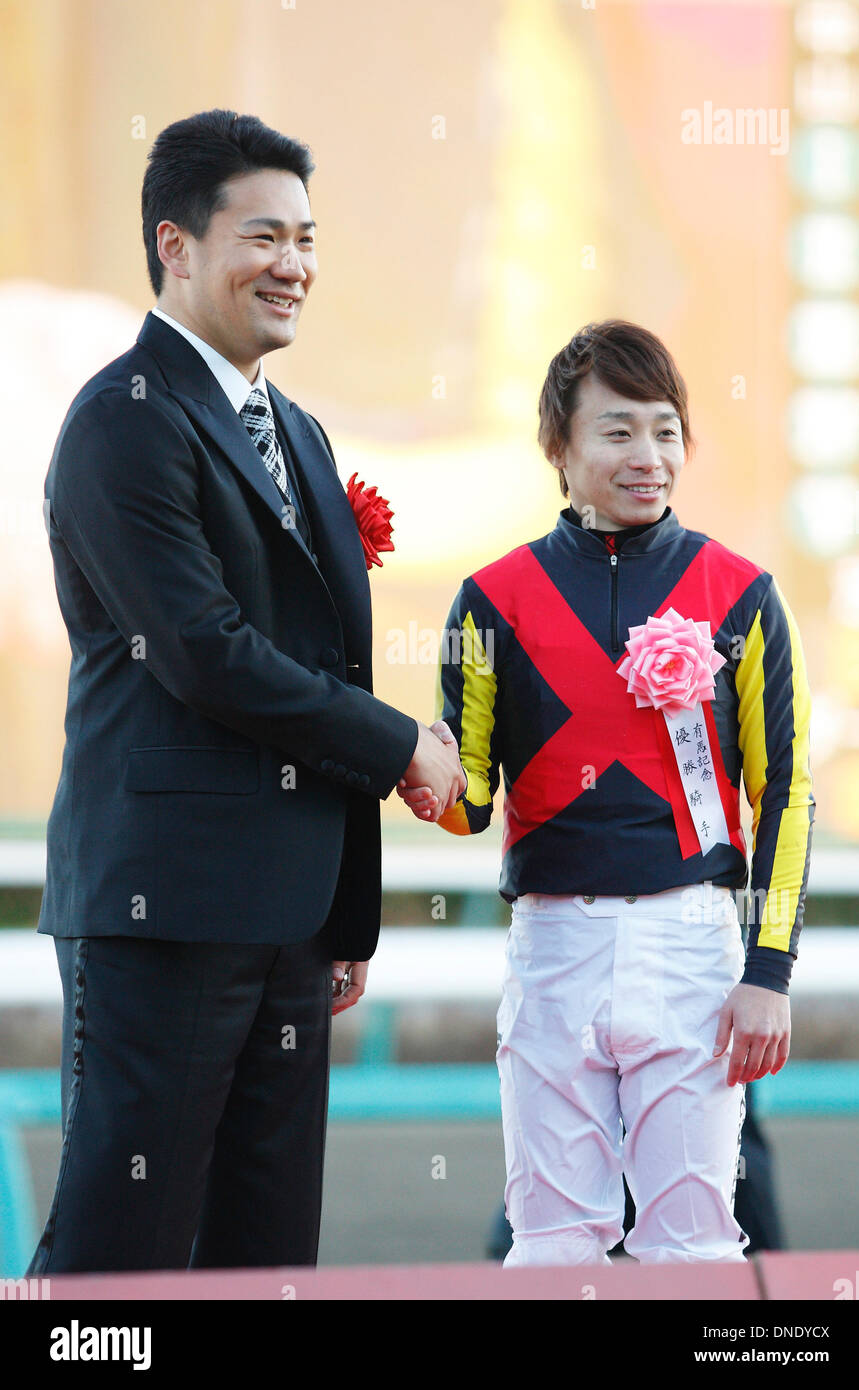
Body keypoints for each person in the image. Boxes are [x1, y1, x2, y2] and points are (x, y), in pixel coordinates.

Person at [28, 108, 463, 1275]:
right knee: (125, 1245)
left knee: (265, 1253)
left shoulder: (302, 434)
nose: (295, 265)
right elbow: (205, 651)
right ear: (174, 245)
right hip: (164, 910)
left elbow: (317, 657)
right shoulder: (123, 422)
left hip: (288, 916)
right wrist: (398, 745)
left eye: (308, 239)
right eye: (263, 235)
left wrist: (340, 906)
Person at [398, 320, 814, 1264]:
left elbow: (784, 791)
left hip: (693, 951)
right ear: (559, 446)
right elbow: (466, 805)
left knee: (695, 1246)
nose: (648, 456)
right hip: (554, 946)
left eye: (666, 430)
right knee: (550, 1243)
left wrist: (768, 970)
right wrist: (400, 757)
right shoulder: (489, 598)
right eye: (617, 431)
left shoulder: (740, 591)